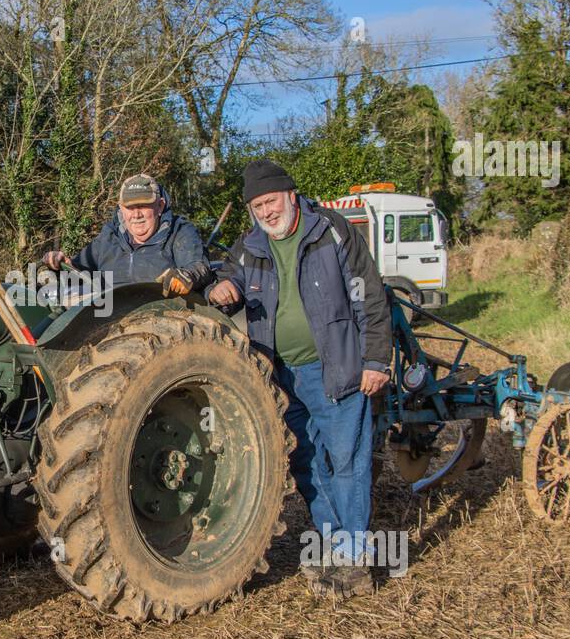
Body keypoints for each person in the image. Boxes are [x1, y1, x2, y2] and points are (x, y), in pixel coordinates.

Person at [207, 160, 392, 598]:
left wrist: (377, 360)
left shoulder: (332, 231)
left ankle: (355, 561)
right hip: (280, 377)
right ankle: (334, 546)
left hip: (337, 368)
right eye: (257, 206)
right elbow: (229, 276)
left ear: (290, 195)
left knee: (347, 463)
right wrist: (223, 288)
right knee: (305, 462)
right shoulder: (251, 245)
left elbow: (371, 295)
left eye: (270, 201)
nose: (266, 212)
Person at [42, 174, 211, 296]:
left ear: (160, 206)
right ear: (121, 209)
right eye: (130, 207)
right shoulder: (109, 237)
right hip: (107, 318)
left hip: (160, 315)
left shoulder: (180, 232)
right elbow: (78, 273)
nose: (136, 215)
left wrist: (185, 275)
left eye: (143, 206)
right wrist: (60, 263)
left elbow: (198, 266)